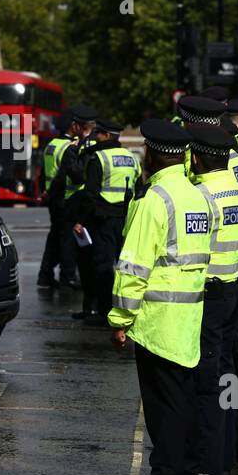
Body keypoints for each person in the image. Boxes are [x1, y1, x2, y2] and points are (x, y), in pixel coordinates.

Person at [109, 119, 216, 475]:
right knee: (184, 403)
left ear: (151, 154)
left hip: (156, 321)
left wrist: (121, 320)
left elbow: (133, 267)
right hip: (189, 318)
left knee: (162, 411)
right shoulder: (198, 195)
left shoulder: (156, 200)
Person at [184, 124, 238, 475]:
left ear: (197, 157)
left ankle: (211, 466)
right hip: (233, 289)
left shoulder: (201, 195)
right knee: (225, 373)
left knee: (207, 382)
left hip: (209, 293)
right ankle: (229, 452)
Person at [77, 117, 139, 324]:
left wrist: (81, 221)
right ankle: (125, 308)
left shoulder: (99, 158)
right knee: (124, 266)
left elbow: (91, 193)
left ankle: (105, 310)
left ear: (105, 135)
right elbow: (137, 188)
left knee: (103, 267)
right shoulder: (130, 157)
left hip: (103, 219)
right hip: (126, 219)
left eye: (98, 134)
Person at [38, 108, 92, 288]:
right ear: (74, 127)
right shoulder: (69, 147)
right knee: (67, 240)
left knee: (55, 236)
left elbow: (43, 172)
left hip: (52, 198)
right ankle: (68, 276)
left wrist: (44, 193)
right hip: (65, 197)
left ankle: (45, 274)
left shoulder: (51, 144)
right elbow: (62, 176)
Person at [58, 107, 98, 292]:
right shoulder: (96, 145)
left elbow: (78, 175)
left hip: (77, 200)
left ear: (78, 127)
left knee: (72, 243)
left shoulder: (82, 147)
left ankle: (70, 277)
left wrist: (71, 153)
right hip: (90, 201)